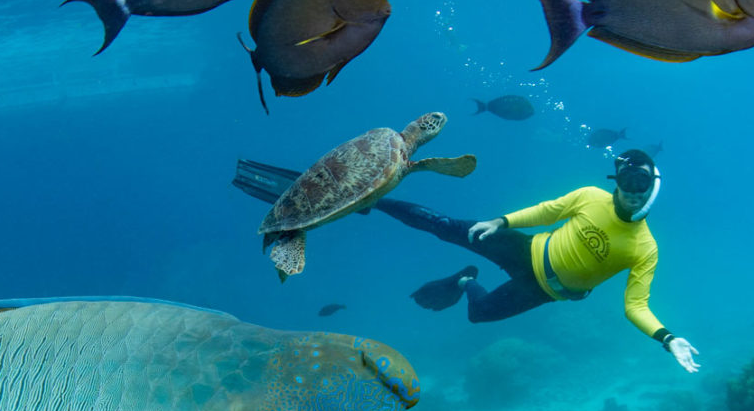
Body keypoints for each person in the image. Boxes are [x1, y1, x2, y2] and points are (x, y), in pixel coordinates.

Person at [233, 149, 700, 373]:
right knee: (442, 224)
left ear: (652, 189)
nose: (630, 192)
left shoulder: (644, 248)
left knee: (478, 313)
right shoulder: (591, 195)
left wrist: (669, 338)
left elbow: (635, 306)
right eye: (625, 182)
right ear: (616, 180)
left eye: (639, 186)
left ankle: (464, 281)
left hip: (543, 290)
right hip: (526, 248)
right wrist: (501, 221)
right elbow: (548, 211)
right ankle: (369, 201)